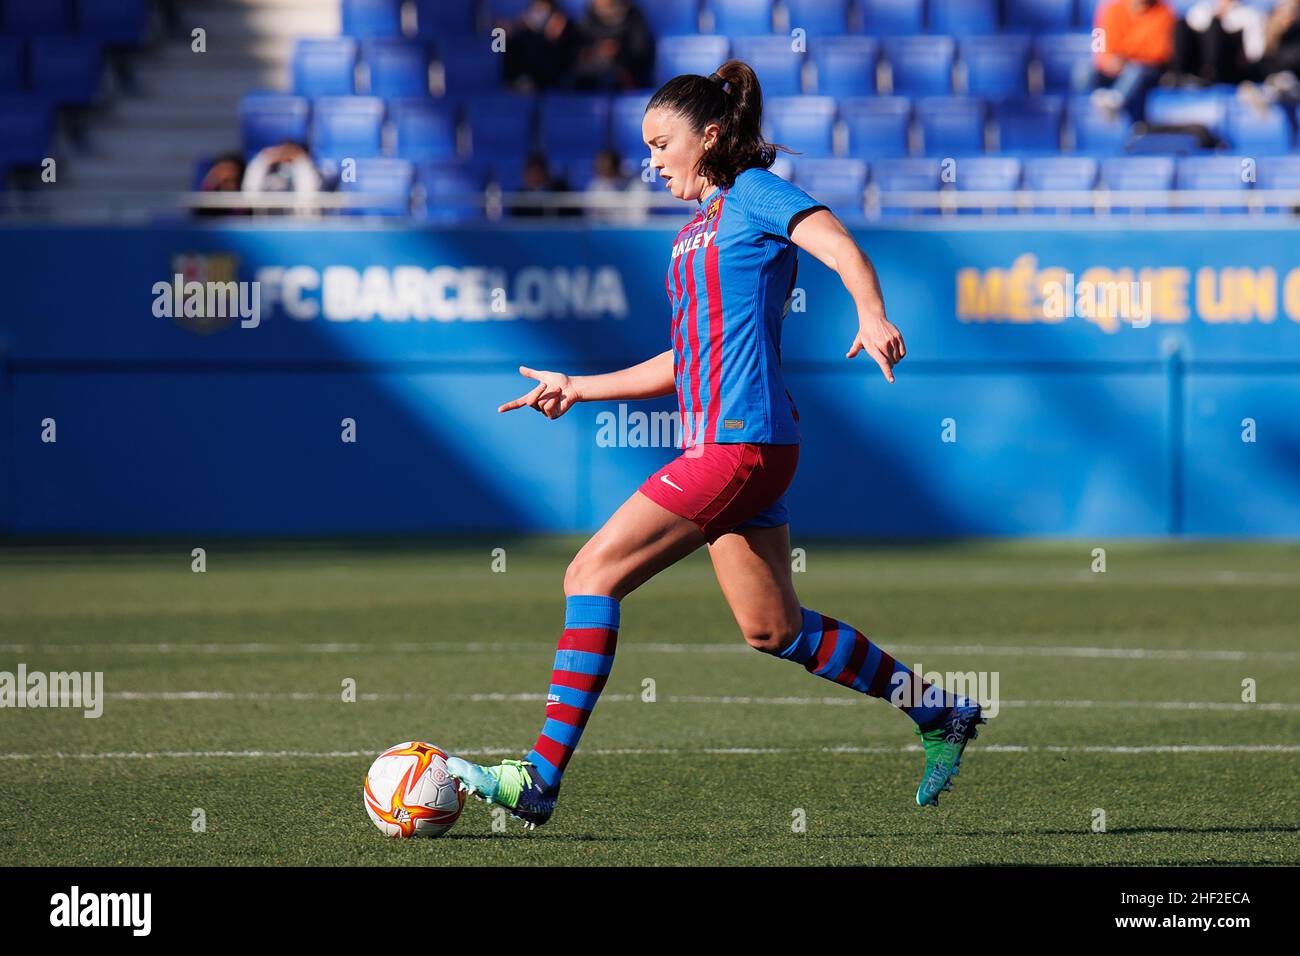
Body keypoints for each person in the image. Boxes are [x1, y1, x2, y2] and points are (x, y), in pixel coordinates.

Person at [446, 60, 986, 829]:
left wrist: (870, 314)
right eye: (646, 146)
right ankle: (938, 712)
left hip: (741, 444)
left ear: (709, 135)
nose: (652, 160)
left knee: (590, 573)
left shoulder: (753, 195)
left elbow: (837, 244)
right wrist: (578, 385)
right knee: (774, 630)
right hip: (740, 446)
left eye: (662, 143)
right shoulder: (694, 232)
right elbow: (685, 360)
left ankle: (538, 779)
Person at [1080, 0, 1178, 121]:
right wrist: (1107, 59)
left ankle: (1113, 104)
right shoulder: (1111, 9)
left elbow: (1160, 52)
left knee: (1134, 71)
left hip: (1146, 69)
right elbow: (1099, 41)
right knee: (1084, 71)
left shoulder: (1165, 12)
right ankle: (1084, 116)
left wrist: (1125, 57)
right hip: (1113, 66)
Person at [1172, 0, 1267, 86]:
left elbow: (1254, 53)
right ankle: (1179, 72)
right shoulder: (1205, 8)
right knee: (1181, 25)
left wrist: (1225, 19)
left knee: (1215, 26)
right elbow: (1192, 22)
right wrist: (1216, 13)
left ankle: (1210, 73)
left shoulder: (1249, 14)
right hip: (1200, 62)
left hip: (1229, 67)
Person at [572, 0, 655, 90]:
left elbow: (640, 50)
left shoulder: (632, 16)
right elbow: (578, 49)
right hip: (592, 77)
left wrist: (618, 50)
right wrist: (596, 51)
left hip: (624, 75)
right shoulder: (588, 17)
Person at [502, 0, 580, 92]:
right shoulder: (521, 31)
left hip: (556, 82)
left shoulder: (566, 26)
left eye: (543, 6)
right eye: (537, 6)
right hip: (524, 81)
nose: (539, 10)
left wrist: (553, 37)